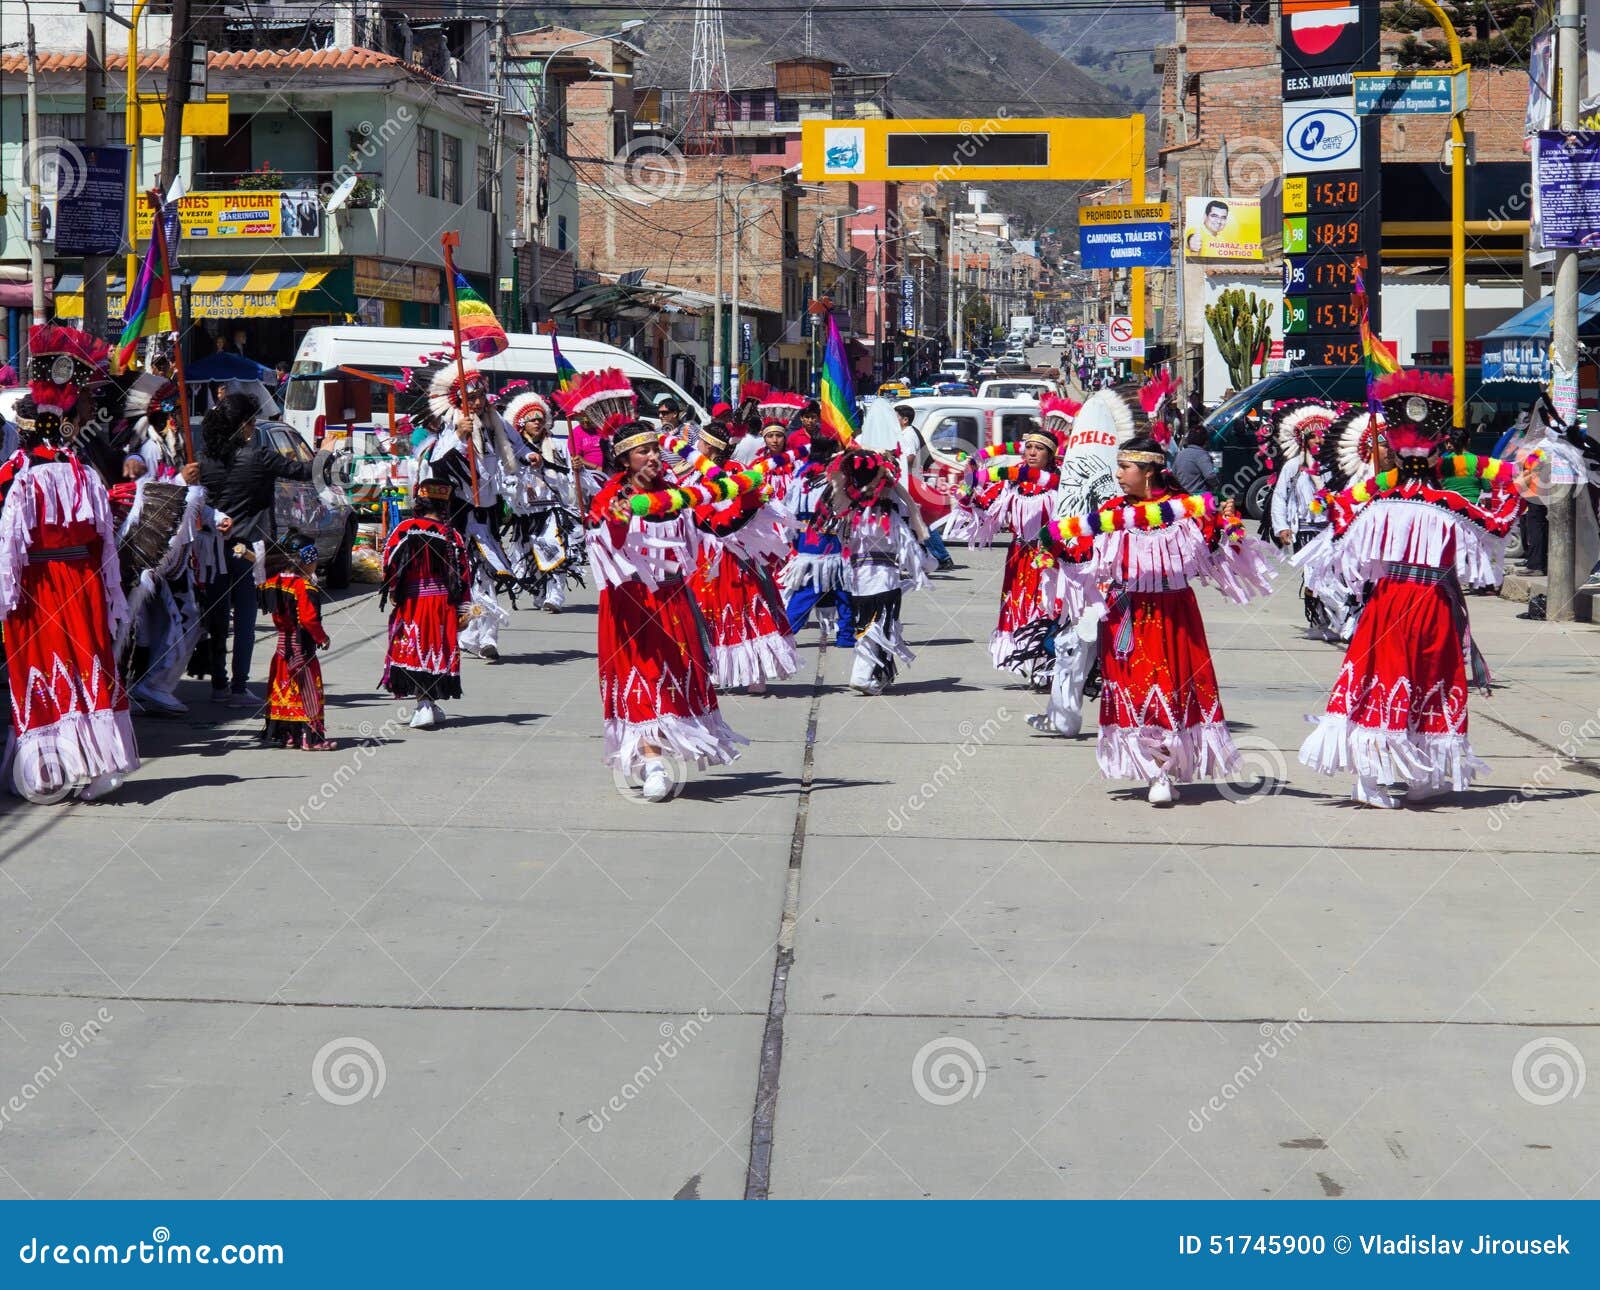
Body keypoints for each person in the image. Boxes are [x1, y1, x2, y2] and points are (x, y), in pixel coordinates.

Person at [1295, 370, 1524, 808]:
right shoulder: (1449, 504)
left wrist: (1367, 488)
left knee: (1389, 682)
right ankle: (1388, 779)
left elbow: (1338, 517)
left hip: (1392, 602)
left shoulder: (1377, 500)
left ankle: (1396, 778)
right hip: (1428, 603)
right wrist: (1501, 473)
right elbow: (1499, 523)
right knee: (1418, 682)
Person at [1047, 431, 1276, 805]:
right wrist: (1054, 546)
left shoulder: (1186, 510)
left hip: (1174, 614)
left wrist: (1229, 526)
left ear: (1148, 471)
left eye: (1124, 467)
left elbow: (1219, 544)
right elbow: (1081, 552)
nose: (1118, 474)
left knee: (1170, 688)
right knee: (1137, 690)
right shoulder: (1113, 513)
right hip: (1127, 613)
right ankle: (1156, 771)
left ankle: (1165, 770)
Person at [1, 331, 139, 802]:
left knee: (40, 670)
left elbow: (8, 548)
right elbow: (105, 543)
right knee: (87, 667)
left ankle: (50, 770)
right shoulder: (83, 476)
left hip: (34, 589)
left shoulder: (17, 477)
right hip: (82, 584)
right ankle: (90, 765)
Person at [586, 418, 746, 802]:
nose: (653, 456)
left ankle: (659, 754)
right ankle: (654, 762)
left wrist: (751, 500)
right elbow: (608, 541)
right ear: (624, 459)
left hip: (674, 601)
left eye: (655, 449)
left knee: (673, 682)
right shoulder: (610, 496)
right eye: (643, 451)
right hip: (632, 604)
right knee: (644, 679)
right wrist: (619, 516)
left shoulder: (676, 493)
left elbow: (715, 525)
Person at [196, 393, 330, 706]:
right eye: (252, 421)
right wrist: (325, 452)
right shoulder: (257, 456)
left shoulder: (204, 459)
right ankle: (238, 687)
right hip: (247, 547)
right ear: (243, 425)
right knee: (245, 617)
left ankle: (219, 685)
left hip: (213, 547)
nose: (254, 426)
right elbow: (304, 471)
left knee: (217, 617)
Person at [948, 402, 1075, 686]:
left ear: (1051, 454)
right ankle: (1028, 661)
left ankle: (1049, 663)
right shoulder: (1012, 479)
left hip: (1053, 555)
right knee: (1021, 606)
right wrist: (967, 490)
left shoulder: (1063, 481)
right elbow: (985, 504)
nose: (1032, 453)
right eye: (1029, 447)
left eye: (1039, 449)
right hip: (1020, 556)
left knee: (1050, 607)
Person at [681, 418, 799, 695]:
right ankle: (718, 667)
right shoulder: (694, 475)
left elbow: (752, 506)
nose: (697, 446)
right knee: (709, 608)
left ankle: (755, 671)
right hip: (706, 550)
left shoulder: (734, 472)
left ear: (710, 447)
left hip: (736, 551)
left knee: (746, 605)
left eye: (701, 442)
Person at [818, 446, 936, 695]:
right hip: (884, 581)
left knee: (869, 625)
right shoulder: (889, 518)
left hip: (858, 582)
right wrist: (927, 565)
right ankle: (861, 676)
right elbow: (910, 550)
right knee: (876, 627)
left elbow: (842, 540)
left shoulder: (848, 516)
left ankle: (872, 674)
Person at [380, 479, 472, 730]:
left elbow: (388, 562)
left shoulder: (405, 529)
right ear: (445, 505)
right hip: (443, 604)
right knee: (436, 651)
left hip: (414, 602)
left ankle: (424, 706)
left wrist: (393, 589)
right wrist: (465, 609)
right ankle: (430, 703)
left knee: (416, 651)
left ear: (420, 501)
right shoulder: (452, 535)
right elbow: (464, 576)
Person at [1266, 400, 1352, 641]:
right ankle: (1318, 621)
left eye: (1321, 437)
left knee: (1334, 575)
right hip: (1305, 529)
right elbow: (1280, 497)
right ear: (1304, 440)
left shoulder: (1334, 466)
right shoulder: (1293, 466)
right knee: (1314, 576)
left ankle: (1337, 619)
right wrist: (1282, 527)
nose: (1318, 441)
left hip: (1330, 529)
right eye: (1313, 437)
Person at [498, 389, 589, 613]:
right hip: (524, 512)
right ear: (521, 424)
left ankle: (555, 595)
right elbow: (503, 477)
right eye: (532, 419)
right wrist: (515, 486)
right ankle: (540, 592)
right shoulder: (513, 449)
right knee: (529, 556)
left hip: (552, 508)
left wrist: (577, 469)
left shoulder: (558, 445)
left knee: (554, 549)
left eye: (540, 418)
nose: (537, 422)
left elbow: (571, 475)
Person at [260, 530, 333, 750]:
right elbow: (309, 620)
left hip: (282, 650)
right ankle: (310, 738)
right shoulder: (304, 587)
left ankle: (288, 735)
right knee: (307, 692)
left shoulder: (273, 583)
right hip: (302, 650)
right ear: (308, 560)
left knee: (284, 691)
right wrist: (322, 637)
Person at [895, 403, 957, 571]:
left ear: (905, 420)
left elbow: (909, 458)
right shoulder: (906, 433)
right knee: (916, 521)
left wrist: (892, 460)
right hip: (909, 482)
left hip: (910, 483)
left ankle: (942, 557)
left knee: (921, 520)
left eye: (896, 417)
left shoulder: (907, 435)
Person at [1169, 423, 1221, 494]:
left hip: (1183, 496)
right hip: (1200, 497)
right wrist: (1216, 485)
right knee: (1224, 498)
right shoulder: (1202, 455)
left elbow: (1174, 474)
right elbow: (1210, 476)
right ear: (1205, 441)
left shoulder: (1180, 454)